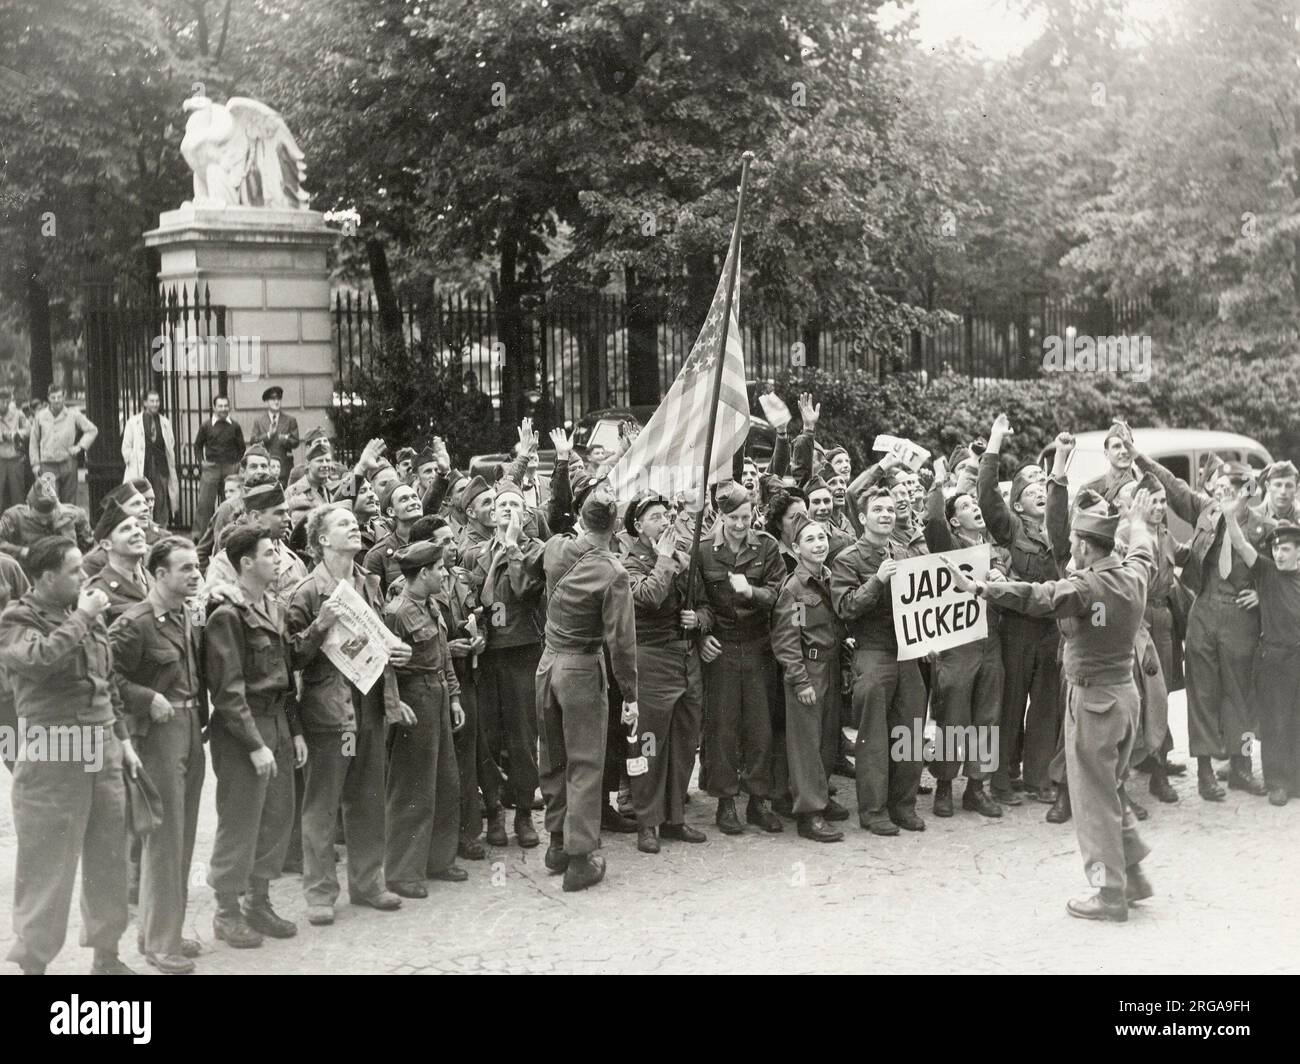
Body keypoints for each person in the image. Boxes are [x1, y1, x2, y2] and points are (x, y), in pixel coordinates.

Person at [948, 492, 1161, 923]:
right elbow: (1144, 549)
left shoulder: (1085, 586)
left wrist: (983, 587)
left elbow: (1038, 595)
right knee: (1111, 790)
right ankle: (1132, 874)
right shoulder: (1133, 574)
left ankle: (1108, 891)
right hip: (1124, 696)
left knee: (1092, 800)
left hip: (1093, 701)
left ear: (1083, 546)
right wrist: (1136, 521)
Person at [0, 535, 144, 974]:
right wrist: (82, 616)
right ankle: (34, 964)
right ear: (46, 578)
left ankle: (107, 955)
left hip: (100, 747)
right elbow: (38, 660)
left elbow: (106, 683)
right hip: (53, 750)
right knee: (48, 863)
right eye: (74, 571)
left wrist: (122, 739)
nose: (85, 578)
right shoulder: (17, 618)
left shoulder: (83, 612)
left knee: (109, 856)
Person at [286, 503, 412, 926]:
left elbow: (379, 639)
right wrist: (319, 624)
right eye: (342, 523)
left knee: (368, 797)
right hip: (330, 712)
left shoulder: (369, 583)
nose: (353, 526)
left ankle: (368, 882)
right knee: (322, 804)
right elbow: (291, 658)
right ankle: (320, 892)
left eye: (354, 522)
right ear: (322, 539)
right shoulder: (306, 591)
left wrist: (399, 650)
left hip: (370, 704)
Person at [1129, 436, 1274, 800]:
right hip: (1204, 609)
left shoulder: (1263, 527)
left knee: (1240, 695)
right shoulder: (1207, 513)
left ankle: (1241, 768)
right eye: (1219, 487)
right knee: (1203, 694)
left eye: (1229, 488)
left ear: (1247, 492)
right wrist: (1137, 456)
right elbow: (1174, 487)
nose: (1220, 493)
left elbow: (1281, 573)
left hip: (1242, 616)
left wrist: (1264, 594)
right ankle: (1205, 772)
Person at [203, 525, 305, 950]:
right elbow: (227, 691)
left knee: (277, 818)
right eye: (269, 554)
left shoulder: (274, 607)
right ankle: (226, 912)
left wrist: (294, 731)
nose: (277, 559)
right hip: (244, 730)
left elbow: (284, 677)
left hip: (277, 723)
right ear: (246, 563)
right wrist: (255, 745)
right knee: (240, 822)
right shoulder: (228, 614)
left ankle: (258, 903)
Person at [108, 537, 206, 974]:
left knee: (181, 840)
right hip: (158, 734)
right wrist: (146, 697)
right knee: (164, 840)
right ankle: (160, 943)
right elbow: (105, 676)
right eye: (184, 568)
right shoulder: (134, 623)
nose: (194, 574)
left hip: (189, 730)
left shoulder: (184, 613)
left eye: (196, 567)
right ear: (158, 573)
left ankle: (163, 930)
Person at [536, 491, 639, 891]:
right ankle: (580, 860)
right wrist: (630, 694)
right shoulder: (613, 571)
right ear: (614, 526)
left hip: (547, 662)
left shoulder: (556, 549)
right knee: (585, 762)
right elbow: (622, 642)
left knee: (554, 756)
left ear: (581, 518)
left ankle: (558, 843)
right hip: (581, 666)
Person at [829, 487, 926, 835]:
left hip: (908, 651)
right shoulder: (848, 559)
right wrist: (878, 579)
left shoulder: (904, 552)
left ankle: (903, 806)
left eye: (889, 509)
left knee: (911, 730)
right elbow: (845, 607)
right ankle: (873, 811)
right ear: (862, 517)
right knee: (874, 735)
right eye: (878, 510)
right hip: (873, 650)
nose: (886, 514)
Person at [694, 482, 786, 836]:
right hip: (723, 648)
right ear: (720, 516)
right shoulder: (703, 551)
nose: (739, 524)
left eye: (746, 517)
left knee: (760, 727)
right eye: (733, 518)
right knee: (722, 727)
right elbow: (696, 603)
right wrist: (702, 636)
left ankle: (758, 800)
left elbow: (779, 593)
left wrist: (753, 592)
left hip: (759, 645)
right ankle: (725, 800)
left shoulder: (766, 546)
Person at [979, 413, 1061, 805]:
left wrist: (1060, 460)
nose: (1041, 491)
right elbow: (986, 496)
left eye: (1043, 485)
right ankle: (1001, 779)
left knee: (1047, 705)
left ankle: (1039, 778)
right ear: (1018, 502)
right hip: (1016, 628)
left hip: (1051, 629)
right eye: (1031, 488)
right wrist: (995, 441)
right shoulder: (1011, 528)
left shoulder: (1060, 531)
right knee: (1009, 705)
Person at [461, 479, 547, 848]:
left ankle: (525, 811)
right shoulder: (473, 552)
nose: (510, 510)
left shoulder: (536, 550)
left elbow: (525, 587)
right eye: (503, 505)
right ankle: (495, 809)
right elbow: (471, 597)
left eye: (517, 505)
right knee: (489, 735)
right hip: (487, 654)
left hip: (523, 650)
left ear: (526, 515)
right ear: (492, 514)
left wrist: (512, 548)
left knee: (524, 737)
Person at [920, 460, 1007, 818]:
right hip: (956, 643)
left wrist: (1002, 574)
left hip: (990, 640)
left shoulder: (997, 549)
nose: (975, 508)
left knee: (987, 714)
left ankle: (976, 786)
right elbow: (935, 521)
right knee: (953, 715)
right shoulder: (949, 545)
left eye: (976, 504)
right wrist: (940, 486)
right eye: (967, 506)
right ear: (956, 521)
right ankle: (943, 784)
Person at [620, 492, 707, 853]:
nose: (665, 522)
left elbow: (704, 603)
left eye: (666, 515)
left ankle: (674, 817)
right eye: (655, 517)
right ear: (639, 526)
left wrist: (699, 619)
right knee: (649, 743)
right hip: (651, 660)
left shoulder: (682, 559)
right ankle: (647, 821)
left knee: (685, 741)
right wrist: (666, 560)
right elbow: (649, 598)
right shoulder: (629, 563)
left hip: (684, 658)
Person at [382, 539, 467, 897]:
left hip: (437, 694)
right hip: (413, 698)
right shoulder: (397, 611)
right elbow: (385, 664)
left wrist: (455, 696)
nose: (445, 574)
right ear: (421, 574)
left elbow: (442, 653)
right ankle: (402, 871)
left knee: (445, 781)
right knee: (413, 786)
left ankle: (438, 860)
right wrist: (394, 704)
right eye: (439, 570)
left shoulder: (430, 604)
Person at [772, 514, 849, 841]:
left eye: (822, 538)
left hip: (830, 666)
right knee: (807, 743)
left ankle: (821, 796)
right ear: (796, 548)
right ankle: (809, 813)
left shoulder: (831, 580)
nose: (819, 545)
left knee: (828, 739)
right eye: (811, 540)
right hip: (809, 669)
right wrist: (800, 680)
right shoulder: (796, 589)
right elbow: (789, 639)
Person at [1221, 509, 1300, 805]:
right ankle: (1277, 782)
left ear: (1298, 552)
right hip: (1274, 660)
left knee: (1296, 720)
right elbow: (1242, 545)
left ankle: (1295, 780)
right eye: (1276, 548)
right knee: (1275, 722)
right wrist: (1230, 517)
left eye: (1286, 549)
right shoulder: (1267, 572)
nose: (1279, 554)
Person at [203, 477, 307, 608]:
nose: (288, 519)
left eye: (287, 512)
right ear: (256, 517)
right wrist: (208, 602)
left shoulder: (295, 563)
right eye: (279, 513)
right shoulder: (226, 562)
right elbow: (199, 620)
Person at [0, 472, 93, 562]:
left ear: (57, 507)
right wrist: (21, 551)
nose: (44, 522)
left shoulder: (75, 515)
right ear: (28, 506)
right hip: (29, 571)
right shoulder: (14, 517)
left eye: (49, 518)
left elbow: (88, 549)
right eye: (39, 518)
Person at [29, 384, 97, 504]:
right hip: (47, 465)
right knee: (49, 500)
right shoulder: (40, 416)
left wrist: (80, 446)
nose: (56, 400)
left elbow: (92, 430)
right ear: (48, 398)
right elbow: (34, 441)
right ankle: (51, 523)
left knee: (69, 502)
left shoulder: (73, 414)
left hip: (68, 463)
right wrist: (35, 464)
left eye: (59, 397)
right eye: (53, 397)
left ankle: (68, 523)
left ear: (64, 397)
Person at [84, 500, 151, 622]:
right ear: (107, 544)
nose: (137, 532)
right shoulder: (96, 592)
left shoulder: (156, 578)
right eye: (126, 529)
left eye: (137, 526)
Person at [121, 390, 179, 525]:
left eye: (157, 401)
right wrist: (131, 460)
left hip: (160, 468)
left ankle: (160, 530)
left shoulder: (164, 422)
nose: (155, 404)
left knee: (161, 499)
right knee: (141, 499)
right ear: (145, 403)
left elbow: (171, 443)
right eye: (152, 401)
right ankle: (144, 529)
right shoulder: (133, 422)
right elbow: (126, 447)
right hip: (142, 467)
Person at [192, 395, 246, 538]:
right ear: (214, 408)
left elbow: (242, 447)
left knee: (231, 502)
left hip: (230, 468)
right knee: (205, 504)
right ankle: (201, 537)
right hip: (211, 468)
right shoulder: (206, 426)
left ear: (229, 407)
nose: (223, 409)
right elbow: (197, 446)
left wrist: (236, 464)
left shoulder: (234, 426)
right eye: (220, 406)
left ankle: (229, 533)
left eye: (225, 406)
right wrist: (201, 462)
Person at [365, 481, 423, 593]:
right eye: (404, 499)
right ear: (391, 512)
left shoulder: (434, 541)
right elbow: (373, 601)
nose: (413, 502)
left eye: (415, 497)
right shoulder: (378, 555)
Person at [249, 386, 300, 488]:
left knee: (285, 494)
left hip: (284, 466)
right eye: (273, 399)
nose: (276, 402)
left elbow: (296, 441)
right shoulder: (259, 421)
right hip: (265, 465)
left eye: (278, 399)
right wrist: (268, 435)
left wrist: (285, 439)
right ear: (267, 402)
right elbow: (253, 441)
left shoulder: (290, 420)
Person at [0, 385, 31, 511]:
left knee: (17, 495)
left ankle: (19, 526)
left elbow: (29, 430)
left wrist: (17, 433)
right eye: (1, 401)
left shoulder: (18, 414)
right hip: (0, 459)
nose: (4, 404)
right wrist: (2, 436)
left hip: (16, 460)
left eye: (7, 401)